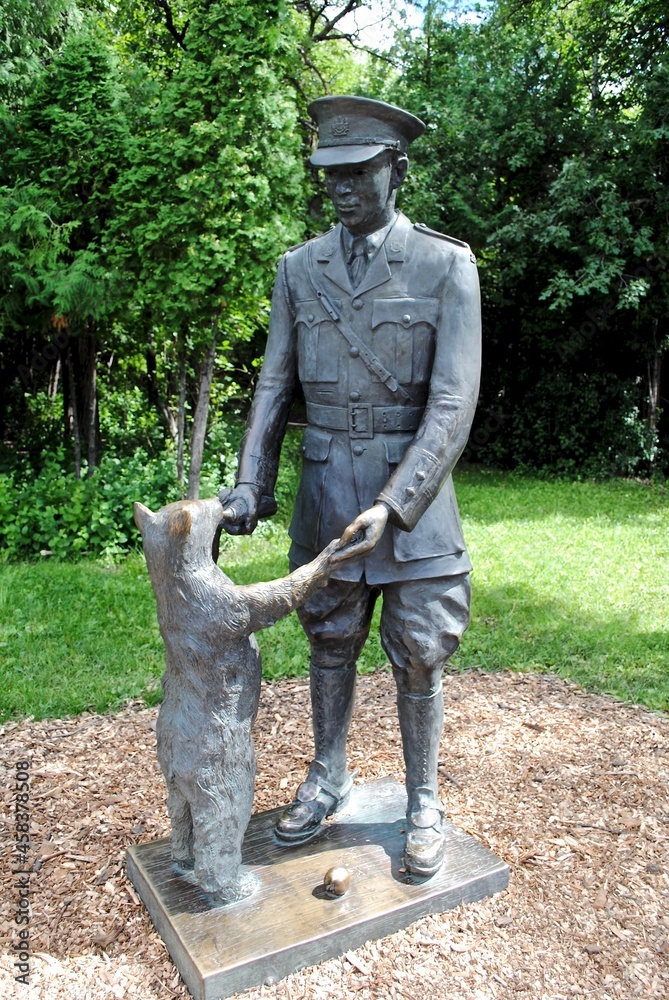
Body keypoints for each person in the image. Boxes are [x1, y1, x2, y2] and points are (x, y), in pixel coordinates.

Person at [220, 95, 481, 877]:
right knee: (328, 643)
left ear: (396, 170)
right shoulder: (299, 270)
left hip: (416, 510)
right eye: (329, 174)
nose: (340, 187)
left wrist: (396, 502)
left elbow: (452, 401)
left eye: (358, 172)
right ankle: (325, 774)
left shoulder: (444, 266)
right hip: (328, 493)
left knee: (420, 652)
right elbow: (273, 387)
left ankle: (423, 799)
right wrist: (247, 488)